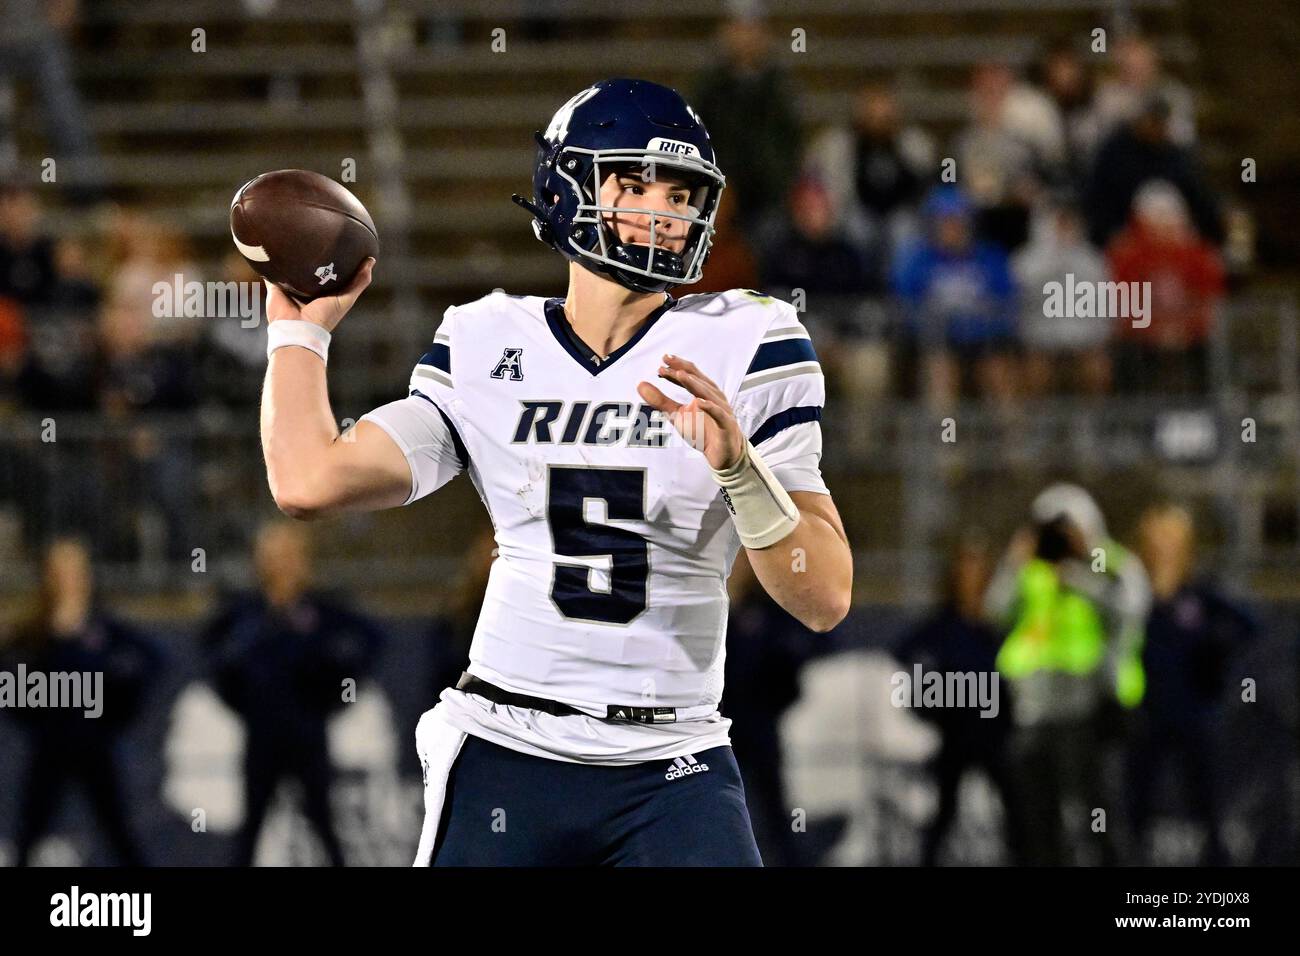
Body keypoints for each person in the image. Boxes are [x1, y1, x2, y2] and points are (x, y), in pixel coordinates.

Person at [258, 78, 853, 866]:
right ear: (569, 186)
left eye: (682, 191)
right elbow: (308, 481)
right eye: (636, 183)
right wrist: (299, 337)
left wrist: (743, 473)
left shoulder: (748, 340)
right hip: (509, 746)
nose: (666, 209)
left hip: (672, 762)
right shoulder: (485, 343)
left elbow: (825, 596)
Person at [984, 484, 1150, 865]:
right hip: (1034, 711)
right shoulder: (1031, 566)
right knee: (1036, 817)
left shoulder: (1112, 564)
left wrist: (1078, 575)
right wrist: (1015, 561)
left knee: (1098, 814)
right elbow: (996, 610)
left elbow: (1130, 615)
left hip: (1091, 710)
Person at [202, 521, 384, 866]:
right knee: (249, 834)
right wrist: (240, 699)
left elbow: (369, 641)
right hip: (262, 738)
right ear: (260, 561)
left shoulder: (323, 608)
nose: (281, 563)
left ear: (303, 559)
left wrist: (335, 690)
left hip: (308, 735)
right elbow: (214, 653)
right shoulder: (246, 610)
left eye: (288, 554)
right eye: (272, 555)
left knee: (326, 828)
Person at [4, 538, 163, 866]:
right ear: (48, 577)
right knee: (29, 831)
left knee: (118, 832)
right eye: (61, 572)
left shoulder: (103, 627)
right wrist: (34, 712)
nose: (70, 579)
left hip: (94, 745)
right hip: (50, 747)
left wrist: (117, 703)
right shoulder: (35, 630)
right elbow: (11, 681)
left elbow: (148, 661)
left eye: (76, 571)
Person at [1126, 504, 1254, 865]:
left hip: (1193, 713)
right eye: (1159, 537)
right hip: (1144, 714)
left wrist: (1213, 650)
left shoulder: (1199, 593)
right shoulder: (1132, 591)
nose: (1166, 546)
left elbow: (1246, 625)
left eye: (1174, 538)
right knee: (1134, 807)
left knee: (1207, 807)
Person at [894, 532, 1016, 866]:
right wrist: (930, 704)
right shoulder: (941, 627)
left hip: (997, 736)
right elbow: (907, 656)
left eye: (979, 570)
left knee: (1017, 813)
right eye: (965, 570)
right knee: (944, 813)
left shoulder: (1002, 624)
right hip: (956, 735)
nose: (972, 579)